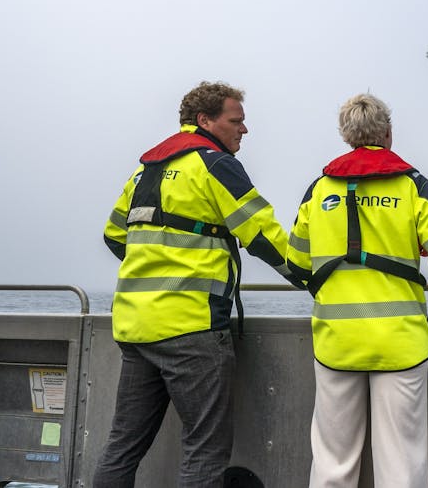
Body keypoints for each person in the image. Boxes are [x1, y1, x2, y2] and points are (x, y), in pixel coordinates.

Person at [96, 81, 303, 488]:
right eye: (236, 121)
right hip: (192, 330)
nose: (244, 130)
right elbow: (261, 232)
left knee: (122, 448)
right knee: (204, 449)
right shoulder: (214, 163)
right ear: (205, 120)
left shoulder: (146, 168)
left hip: (136, 329)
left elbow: (113, 235)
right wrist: (310, 275)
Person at [288, 93, 428, 488]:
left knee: (332, 460)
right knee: (401, 463)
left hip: (337, 342)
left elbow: (297, 264)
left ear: (346, 135)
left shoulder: (319, 190)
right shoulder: (411, 186)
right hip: (399, 342)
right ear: (388, 133)